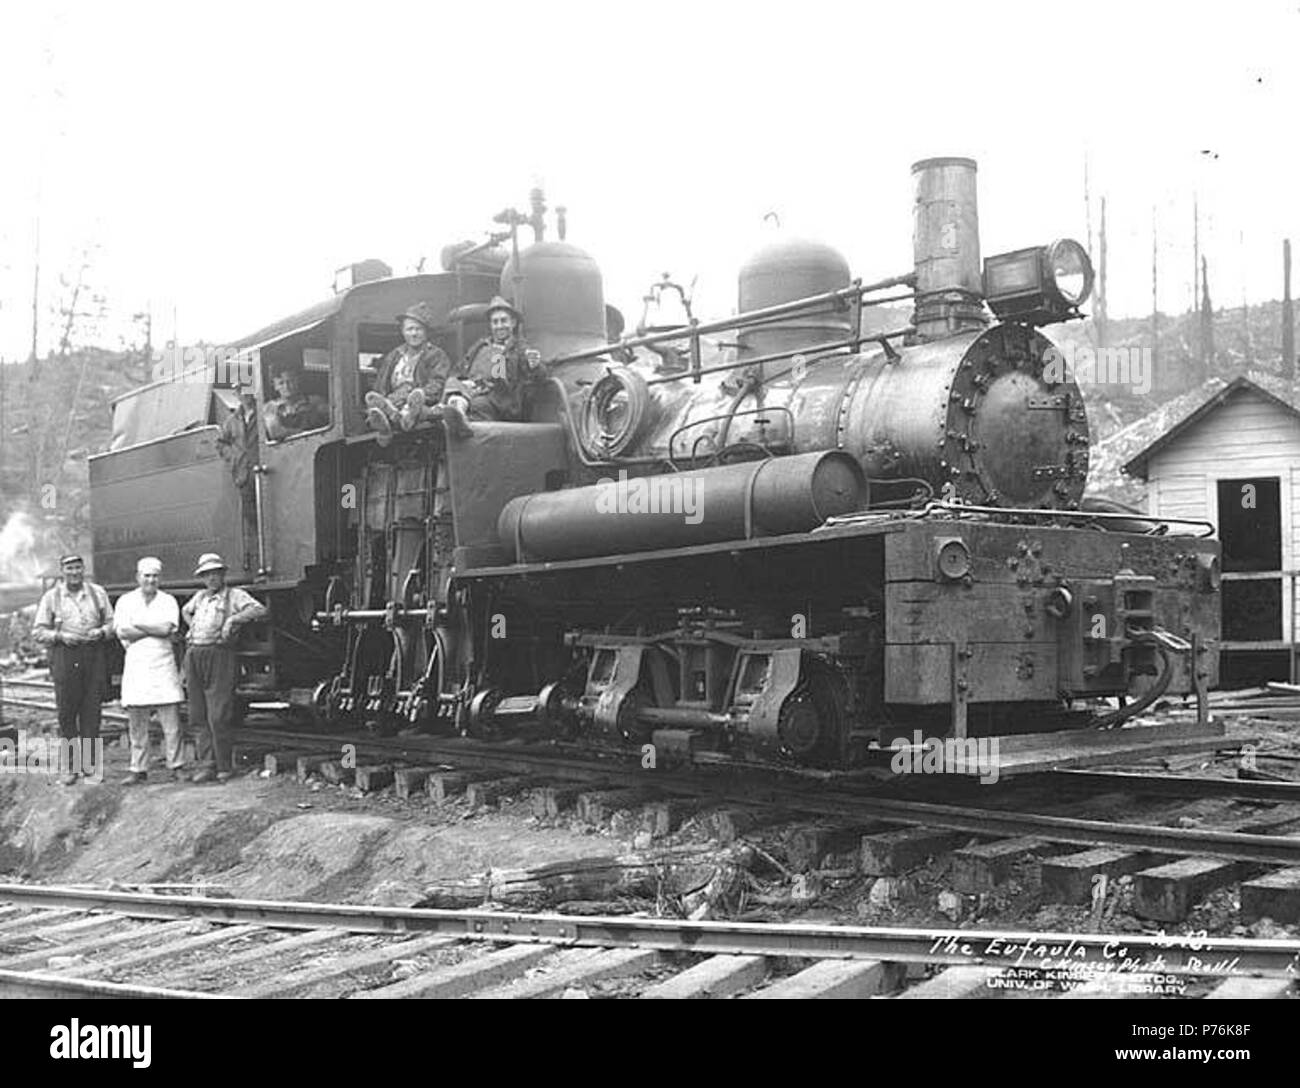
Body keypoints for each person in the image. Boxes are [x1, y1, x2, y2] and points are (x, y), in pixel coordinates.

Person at [180, 553, 268, 783]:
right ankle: (207, 765)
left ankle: (224, 766)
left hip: (220, 654)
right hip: (194, 653)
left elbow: (259, 609)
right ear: (202, 577)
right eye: (207, 574)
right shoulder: (199, 597)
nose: (211, 578)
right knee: (198, 714)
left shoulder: (235, 595)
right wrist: (192, 627)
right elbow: (185, 611)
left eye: (215, 573)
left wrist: (233, 620)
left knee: (219, 714)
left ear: (222, 574)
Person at [32, 555, 114, 785]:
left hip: (93, 655)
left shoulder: (98, 593)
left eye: (78, 567)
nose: (74, 572)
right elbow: (38, 631)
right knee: (67, 714)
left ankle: (90, 767)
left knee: (92, 712)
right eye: (69, 568)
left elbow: (112, 622)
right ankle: (70, 767)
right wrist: (60, 636)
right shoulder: (52, 597)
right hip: (65, 656)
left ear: (83, 569)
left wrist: (102, 632)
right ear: (62, 571)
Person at [114, 557, 185, 785]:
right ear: (138, 577)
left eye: (154, 576)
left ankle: (177, 766)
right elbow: (123, 632)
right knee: (137, 723)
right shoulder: (126, 601)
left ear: (159, 578)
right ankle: (138, 768)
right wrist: (153, 628)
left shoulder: (168, 601)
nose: (150, 580)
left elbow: (167, 629)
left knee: (171, 723)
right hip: (136, 664)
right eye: (146, 575)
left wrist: (140, 625)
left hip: (162, 663)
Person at [443, 296, 544, 435]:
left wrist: (535, 366)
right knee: (451, 383)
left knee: (478, 404)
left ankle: (460, 412)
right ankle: (458, 410)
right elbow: (459, 369)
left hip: (501, 399)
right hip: (473, 391)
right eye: (495, 322)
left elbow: (538, 376)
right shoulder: (480, 346)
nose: (499, 326)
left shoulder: (520, 348)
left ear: (513, 323)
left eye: (504, 321)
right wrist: (465, 383)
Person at [364, 301, 454, 447]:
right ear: (403, 332)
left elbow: (438, 383)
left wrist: (415, 396)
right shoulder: (394, 355)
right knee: (374, 402)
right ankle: (390, 417)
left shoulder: (436, 355)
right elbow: (381, 384)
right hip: (394, 399)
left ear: (426, 332)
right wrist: (385, 398)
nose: (414, 333)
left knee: (417, 407)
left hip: (418, 400)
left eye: (418, 329)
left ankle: (395, 422)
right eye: (410, 329)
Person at [216, 383, 260, 564]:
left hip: (264, 468)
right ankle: (256, 559)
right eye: (240, 391)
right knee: (251, 518)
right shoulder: (231, 420)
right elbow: (220, 444)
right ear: (236, 394)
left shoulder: (264, 411)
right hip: (244, 474)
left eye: (248, 389)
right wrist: (234, 458)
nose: (245, 394)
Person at [262, 361, 329, 441]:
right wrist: (307, 434)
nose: (286, 386)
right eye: (281, 383)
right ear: (275, 386)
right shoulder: (270, 407)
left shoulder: (316, 402)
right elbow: (276, 432)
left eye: (290, 381)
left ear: (297, 380)